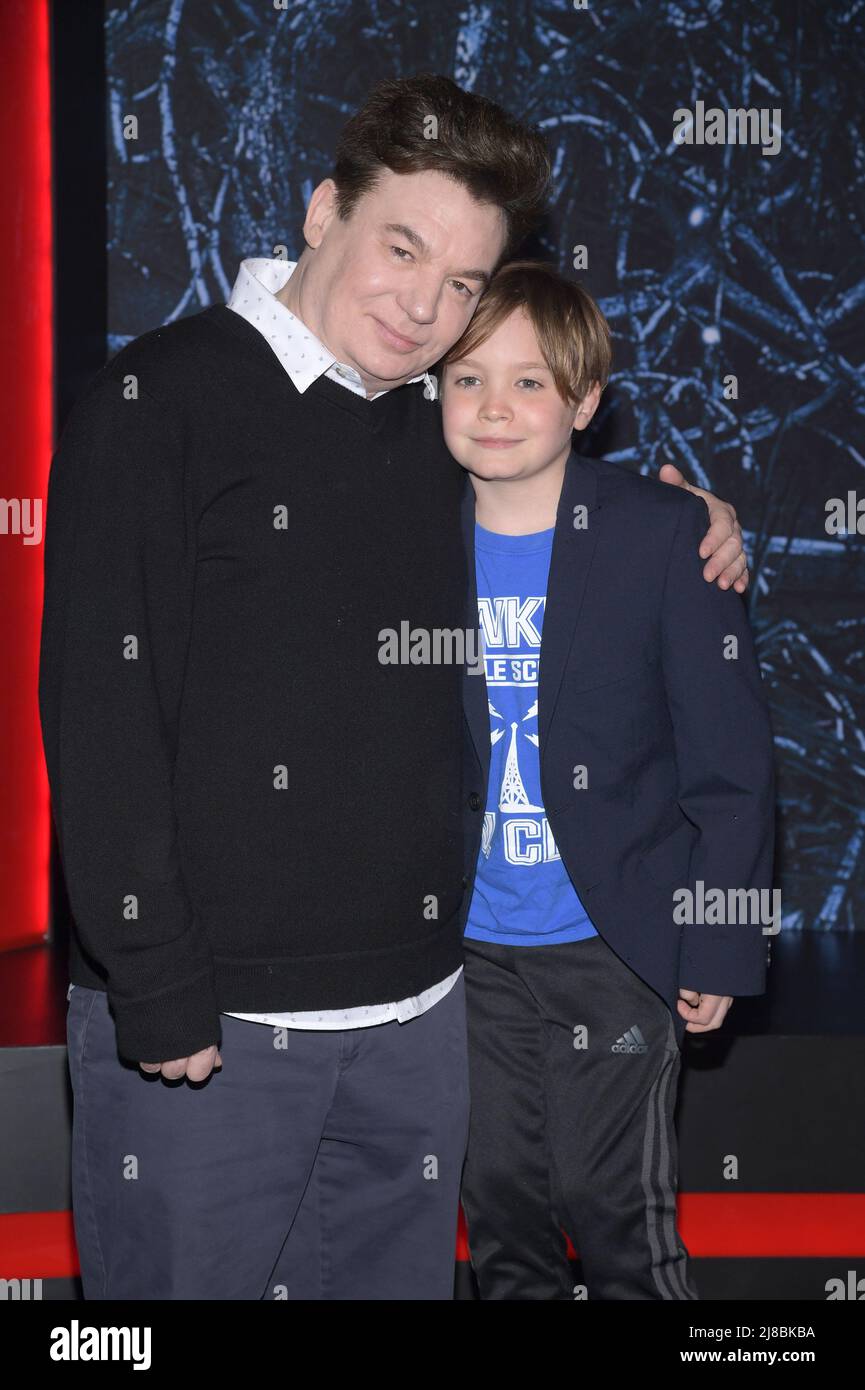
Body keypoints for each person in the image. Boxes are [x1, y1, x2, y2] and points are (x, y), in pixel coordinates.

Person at [39, 74, 751, 1301]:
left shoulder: (439, 424)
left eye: (464, 283)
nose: (425, 306)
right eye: (402, 248)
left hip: (425, 1030)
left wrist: (692, 520)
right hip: (212, 1032)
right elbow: (101, 712)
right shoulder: (156, 401)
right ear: (324, 212)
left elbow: (564, 491)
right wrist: (153, 980)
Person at [439, 260, 775, 1300]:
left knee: (613, 1211)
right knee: (500, 1211)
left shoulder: (661, 535)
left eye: (528, 382)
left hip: (617, 945)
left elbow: (731, 765)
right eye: (466, 379)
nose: (494, 406)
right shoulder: (406, 532)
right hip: (464, 957)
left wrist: (719, 939)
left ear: (585, 401)